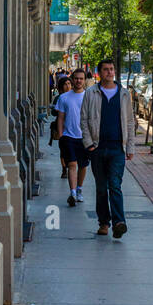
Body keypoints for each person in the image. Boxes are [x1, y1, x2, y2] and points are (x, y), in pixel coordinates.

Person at [80, 59, 136, 239]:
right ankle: (104, 222)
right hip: (97, 147)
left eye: (112, 69)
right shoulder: (91, 93)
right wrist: (88, 143)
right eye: (106, 70)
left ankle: (119, 222)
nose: (110, 72)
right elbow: (84, 119)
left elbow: (129, 122)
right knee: (101, 187)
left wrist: (130, 147)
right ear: (99, 72)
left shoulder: (124, 94)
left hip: (117, 148)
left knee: (115, 184)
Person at [57, 68, 89, 206]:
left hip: (85, 137)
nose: (78, 81)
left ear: (84, 80)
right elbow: (60, 118)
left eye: (81, 78)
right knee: (72, 164)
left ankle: (80, 189)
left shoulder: (89, 97)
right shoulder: (64, 97)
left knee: (83, 165)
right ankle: (73, 192)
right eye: (76, 78)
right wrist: (60, 135)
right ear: (72, 79)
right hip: (68, 136)